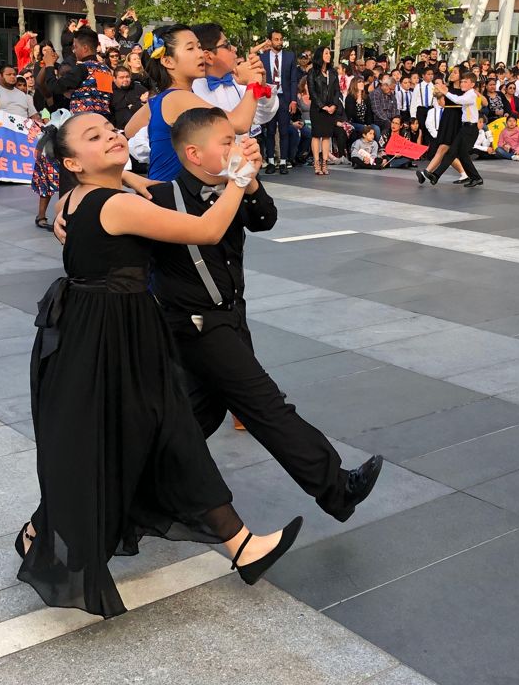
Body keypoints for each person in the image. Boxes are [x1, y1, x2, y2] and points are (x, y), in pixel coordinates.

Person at [20, 110, 304, 618]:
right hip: (112, 338)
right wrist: (239, 177)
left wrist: (112, 178)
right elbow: (207, 229)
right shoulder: (115, 206)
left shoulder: (85, 197)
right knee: (148, 434)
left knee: (152, 434)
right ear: (72, 162)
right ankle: (44, 530)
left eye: (110, 130)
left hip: (107, 332)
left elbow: (139, 188)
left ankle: (240, 544)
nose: (110, 135)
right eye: (93, 136)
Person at [124, 106, 382, 522]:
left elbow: (265, 220)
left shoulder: (233, 185)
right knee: (266, 405)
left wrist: (250, 181)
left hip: (231, 318)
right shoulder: (161, 199)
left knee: (193, 417)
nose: (238, 146)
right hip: (196, 326)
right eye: (226, 142)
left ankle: (127, 485)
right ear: (194, 154)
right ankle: (336, 487)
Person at [124, 24, 262, 183]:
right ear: (168, 61)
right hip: (174, 198)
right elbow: (240, 123)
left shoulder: (160, 100)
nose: (200, 54)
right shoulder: (178, 97)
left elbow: (129, 130)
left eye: (199, 47)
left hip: (165, 193)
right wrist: (253, 81)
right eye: (190, 49)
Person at [190, 23, 275, 144]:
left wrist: (261, 84)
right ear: (208, 57)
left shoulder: (236, 83)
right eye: (227, 45)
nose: (234, 48)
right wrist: (253, 82)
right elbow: (239, 124)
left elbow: (262, 115)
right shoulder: (191, 91)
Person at [417, 71, 483, 187]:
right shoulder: (468, 93)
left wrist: (445, 92)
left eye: (465, 81)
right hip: (465, 128)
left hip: (470, 129)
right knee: (458, 154)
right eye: (462, 81)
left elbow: (458, 100)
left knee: (454, 153)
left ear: (472, 84)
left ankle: (436, 175)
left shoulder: (471, 94)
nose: (462, 83)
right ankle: (475, 178)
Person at [258, 30, 300, 174]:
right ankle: (270, 161)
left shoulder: (289, 56)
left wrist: (293, 100)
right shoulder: (262, 57)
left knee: (284, 131)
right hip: (269, 97)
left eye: (281, 39)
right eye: (276, 39)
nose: (279, 42)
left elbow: (294, 79)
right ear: (270, 41)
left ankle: (283, 161)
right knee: (269, 131)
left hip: (284, 97)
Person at [48, 27, 113, 116]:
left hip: (83, 123)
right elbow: (102, 98)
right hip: (103, 120)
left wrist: (49, 65)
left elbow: (55, 87)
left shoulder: (82, 68)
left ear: (85, 48)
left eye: (76, 47)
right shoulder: (105, 70)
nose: (74, 51)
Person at [306, 46, 341, 175]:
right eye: (326, 53)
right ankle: (316, 163)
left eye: (329, 53)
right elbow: (312, 92)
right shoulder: (312, 72)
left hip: (331, 108)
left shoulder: (333, 72)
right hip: (318, 109)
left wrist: (334, 105)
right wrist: (322, 106)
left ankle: (325, 163)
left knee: (327, 136)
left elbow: (337, 90)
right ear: (320, 55)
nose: (329, 55)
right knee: (316, 135)